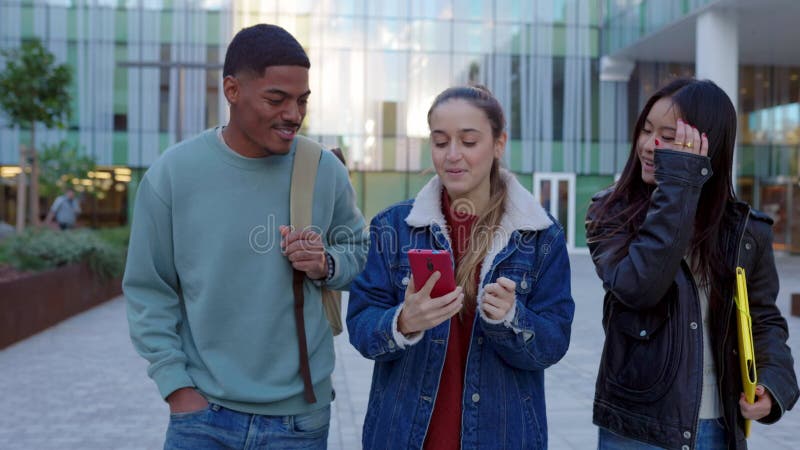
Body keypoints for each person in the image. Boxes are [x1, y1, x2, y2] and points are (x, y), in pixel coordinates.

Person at [123, 24, 368, 449]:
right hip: (202, 419)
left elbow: (361, 254)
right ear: (232, 90)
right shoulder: (174, 175)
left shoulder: (324, 170)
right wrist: (176, 388)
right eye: (277, 99)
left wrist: (326, 263)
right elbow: (149, 289)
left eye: (302, 100)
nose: (293, 113)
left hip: (299, 421)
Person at [346, 85, 575, 449]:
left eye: (469, 142)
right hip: (405, 436)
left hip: (503, 437)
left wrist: (512, 319)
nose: (453, 155)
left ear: (499, 144)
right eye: (440, 142)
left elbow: (553, 344)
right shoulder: (392, 227)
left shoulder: (540, 235)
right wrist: (403, 321)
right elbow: (360, 324)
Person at [586, 78, 799, 449]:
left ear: (708, 146)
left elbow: (763, 318)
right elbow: (640, 287)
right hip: (639, 430)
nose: (650, 146)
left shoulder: (746, 230)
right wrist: (679, 183)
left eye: (669, 136)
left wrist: (774, 382)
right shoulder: (611, 214)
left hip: (719, 428)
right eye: (647, 130)